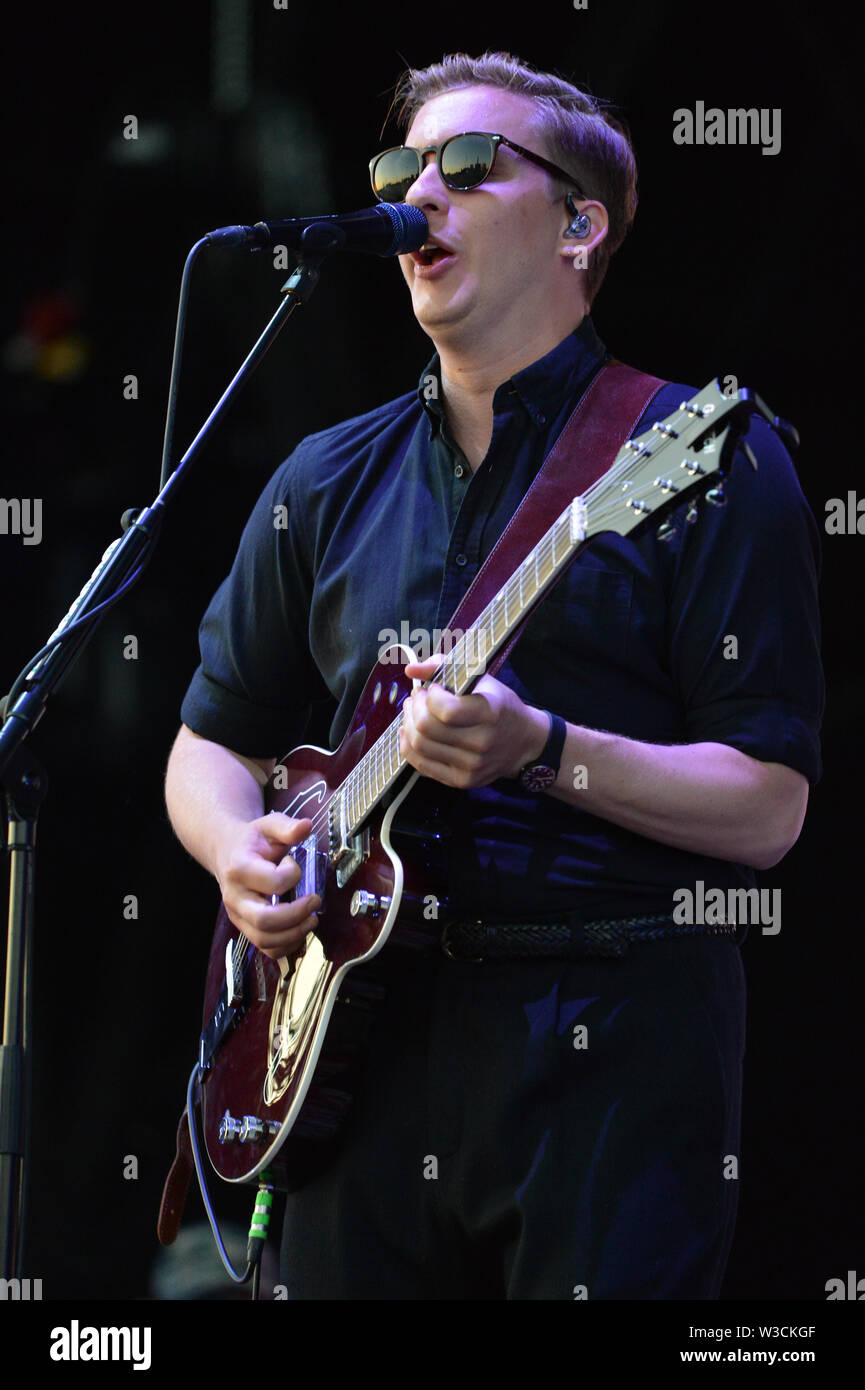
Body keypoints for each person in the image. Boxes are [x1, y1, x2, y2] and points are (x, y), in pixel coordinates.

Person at [164, 52, 824, 1300]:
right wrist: (237, 852)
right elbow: (212, 739)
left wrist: (545, 747)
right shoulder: (322, 477)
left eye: (469, 167)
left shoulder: (698, 455)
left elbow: (769, 805)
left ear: (580, 226)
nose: (422, 194)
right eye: (400, 169)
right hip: (358, 1048)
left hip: (608, 1051)